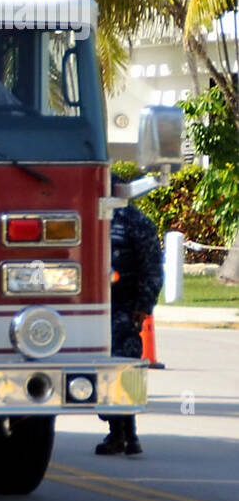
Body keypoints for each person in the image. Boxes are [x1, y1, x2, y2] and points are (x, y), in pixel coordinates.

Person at [97, 180, 163, 456]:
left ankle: (128, 435)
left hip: (124, 306)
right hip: (95, 307)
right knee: (107, 371)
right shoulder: (92, 216)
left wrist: (142, 306)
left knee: (124, 369)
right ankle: (118, 433)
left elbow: (151, 268)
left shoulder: (136, 222)